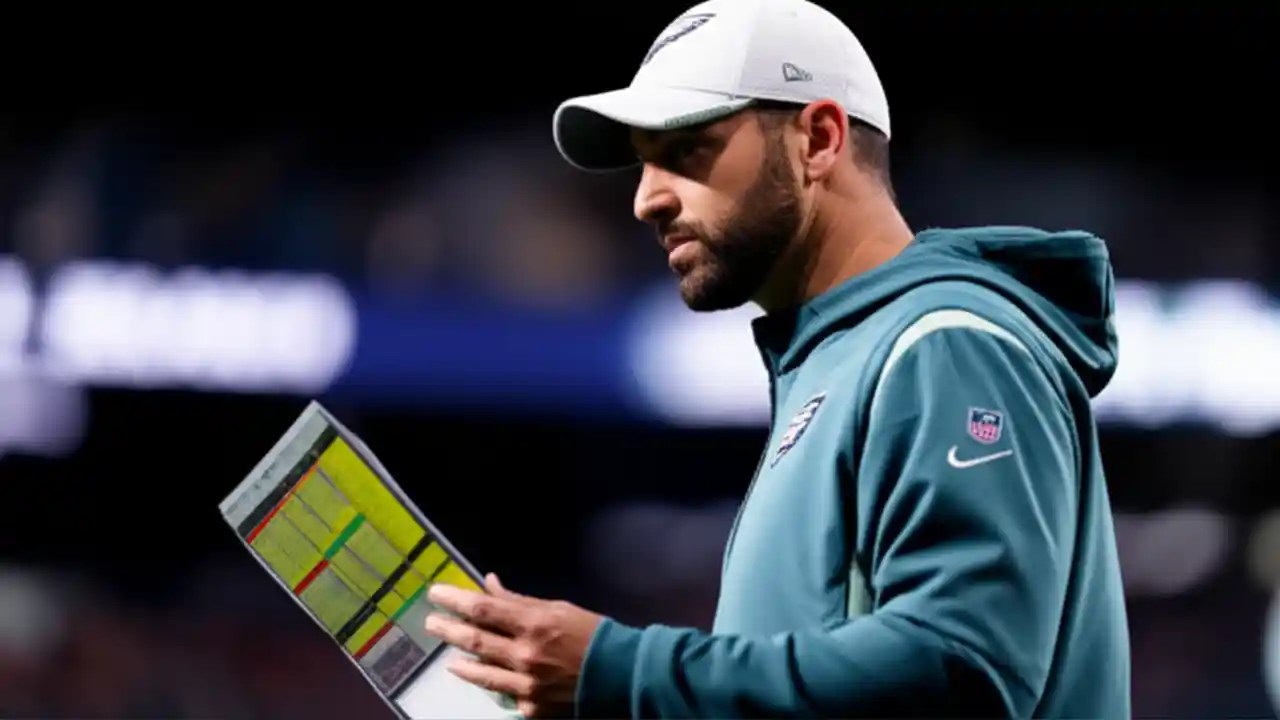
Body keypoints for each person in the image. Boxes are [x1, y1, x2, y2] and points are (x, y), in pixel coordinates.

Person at [423, 0, 1132, 717]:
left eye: (686, 151)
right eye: (643, 166)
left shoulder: (947, 345)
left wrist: (622, 673)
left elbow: (964, 665)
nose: (645, 200)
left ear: (818, 139)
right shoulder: (844, 362)